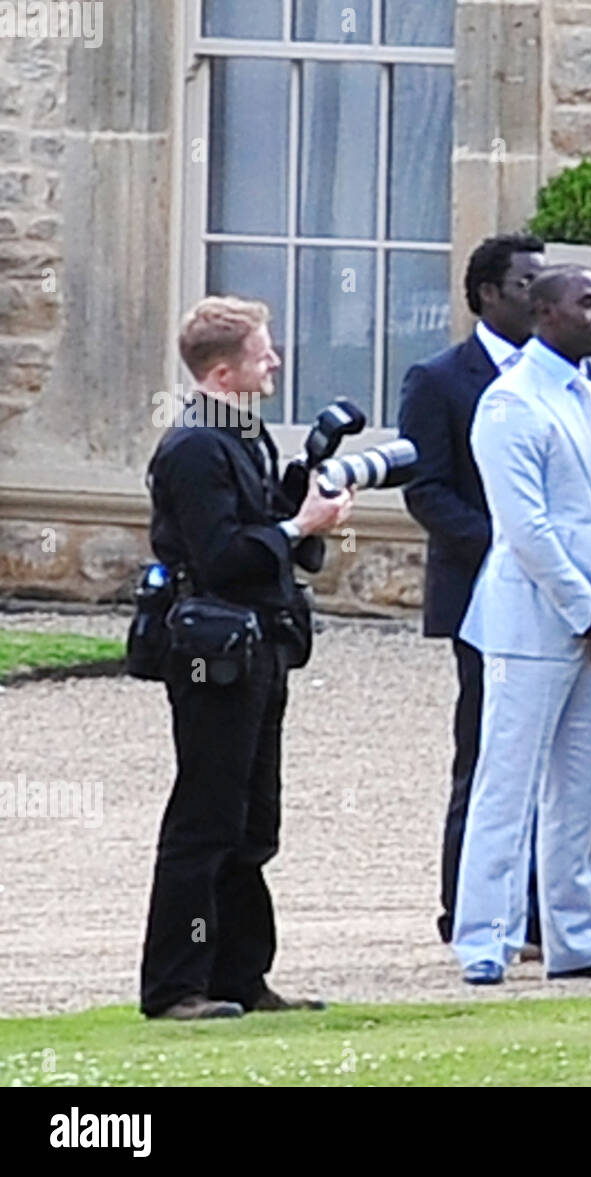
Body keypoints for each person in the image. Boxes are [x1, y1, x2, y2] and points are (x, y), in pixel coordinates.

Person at [140, 296, 352, 1019]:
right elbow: (222, 555)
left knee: (253, 820)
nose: (277, 362)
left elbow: (256, 525)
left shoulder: (242, 432)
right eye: (265, 353)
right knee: (206, 817)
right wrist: (301, 523)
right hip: (213, 646)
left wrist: (301, 501)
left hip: (259, 641)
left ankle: (239, 976)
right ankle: (175, 985)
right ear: (224, 370)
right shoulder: (196, 445)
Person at [452, 265, 591, 985]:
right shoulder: (508, 403)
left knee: (579, 783)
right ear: (544, 313)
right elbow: (524, 525)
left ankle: (575, 935)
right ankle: (484, 937)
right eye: (588, 302)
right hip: (529, 622)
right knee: (506, 782)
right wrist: (585, 608)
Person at [398, 233, 546, 951]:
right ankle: (469, 911)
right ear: (489, 294)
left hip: (555, 595)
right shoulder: (440, 377)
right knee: (486, 751)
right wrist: (507, 546)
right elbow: (425, 489)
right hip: (483, 592)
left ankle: (543, 915)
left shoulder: (561, 375)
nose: (540, 296)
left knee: (551, 756)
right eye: (527, 283)